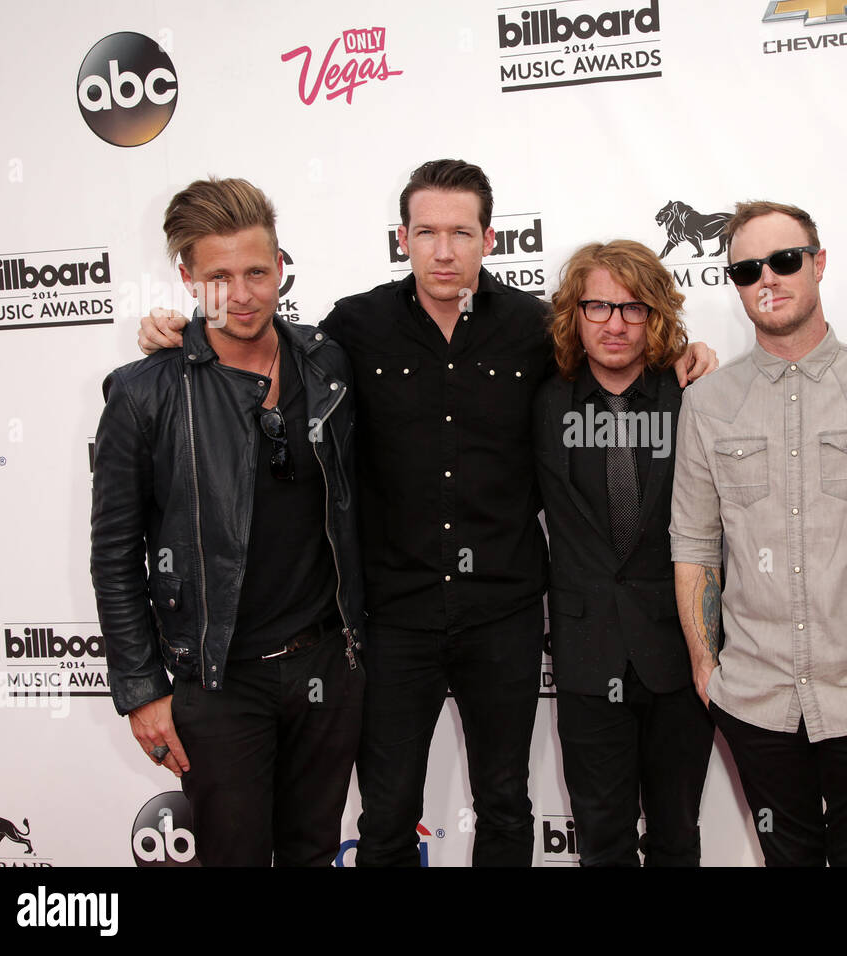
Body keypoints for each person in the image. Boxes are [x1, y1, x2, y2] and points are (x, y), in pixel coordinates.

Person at [138, 159, 717, 866]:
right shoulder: (353, 327)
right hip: (392, 616)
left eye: (461, 233)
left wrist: (684, 355)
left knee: (505, 804)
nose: (444, 251)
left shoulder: (538, 332)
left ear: (490, 240)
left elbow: (616, 357)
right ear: (403, 239)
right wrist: (182, 334)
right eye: (427, 232)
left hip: (503, 614)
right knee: (386, 814)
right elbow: (260, 349)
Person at [91, 177, 365, 866]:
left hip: (322, 669)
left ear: (280, 266)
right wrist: (141, 690)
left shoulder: (327, 366)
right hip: (216, 684)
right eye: (218, 277)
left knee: (312, 853)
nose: (241, 295)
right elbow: (115, 554)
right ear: (187, 276)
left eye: (255, 271)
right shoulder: (144, 392)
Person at [670, 200, 847, 866]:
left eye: (785, 260)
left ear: (818, 264)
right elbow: (695, 545)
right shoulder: (706, 402)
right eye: (746, 269)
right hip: (754, 695)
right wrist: (708, 672)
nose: (767, 278)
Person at [533, 240, 715, 866]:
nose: (614, 324)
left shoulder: (694, 396)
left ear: (656, 316)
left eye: (632, 309)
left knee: (676, 836)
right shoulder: (542, 402)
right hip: (586, 656)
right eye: (598, 307)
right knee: (602, 843)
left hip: (679, 654)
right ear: (574, 315)